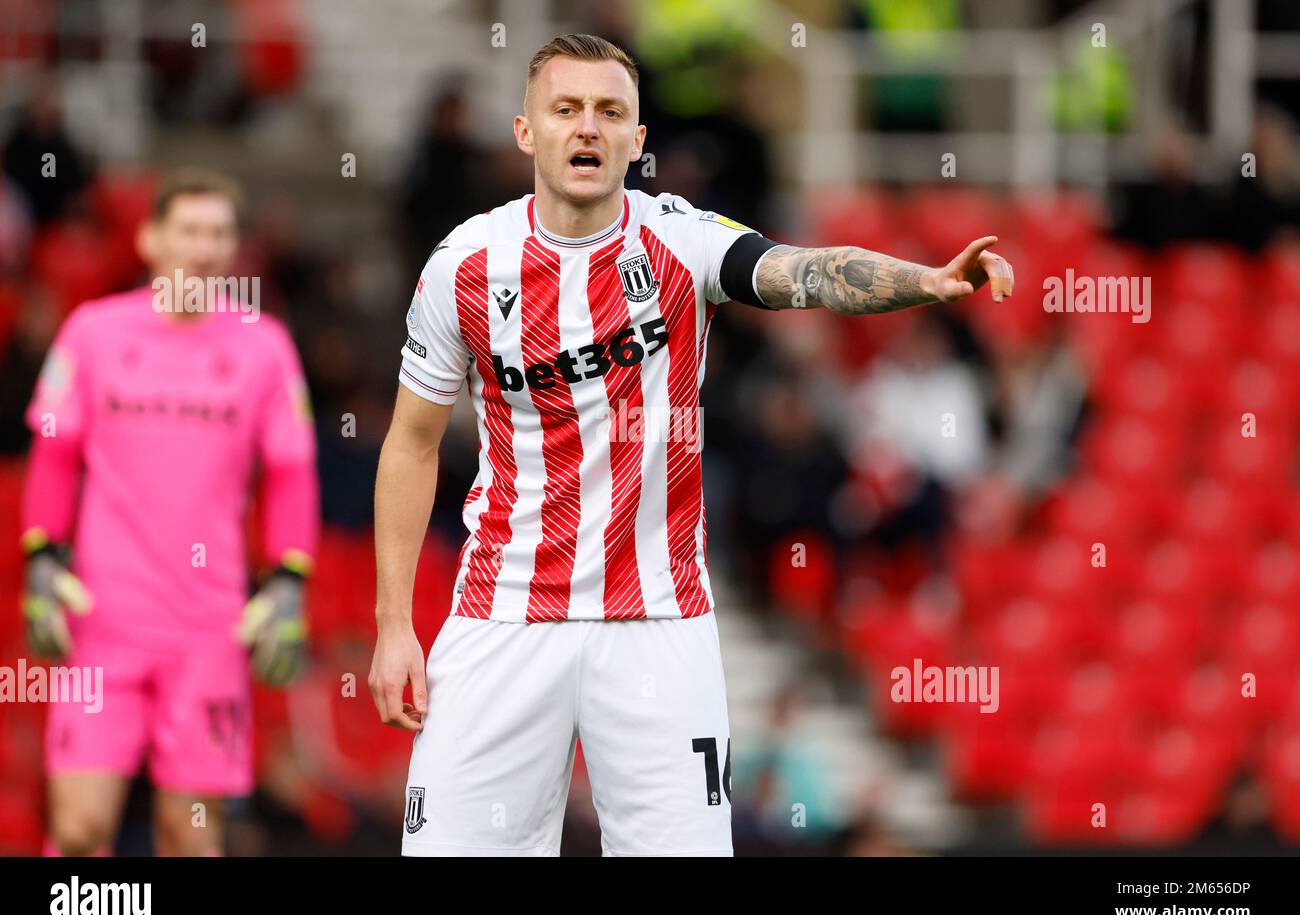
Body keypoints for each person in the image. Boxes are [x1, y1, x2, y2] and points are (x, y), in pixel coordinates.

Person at [368, 33, 1013, 857]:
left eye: (610, 113)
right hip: (504, 616)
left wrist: (925, 281)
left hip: (658, 621)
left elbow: (804, 271)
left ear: (639, 141)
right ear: (526, 129)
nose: (588, 129)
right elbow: (409, 447)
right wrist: (394, 626)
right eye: (566, 110)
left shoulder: (681, 239)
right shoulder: (461, 266)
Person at [21, 168, 319, 856]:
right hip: (103, 622)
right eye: (188, 229)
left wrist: (287, 581)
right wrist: (41, 560)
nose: (204, 246)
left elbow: (292, 472)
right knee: (77, 829)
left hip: (208, 631)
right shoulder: (94, 333)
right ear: (150, 239)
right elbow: (54, 457)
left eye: (219, 233)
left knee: (190, 836)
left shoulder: (263, 347)